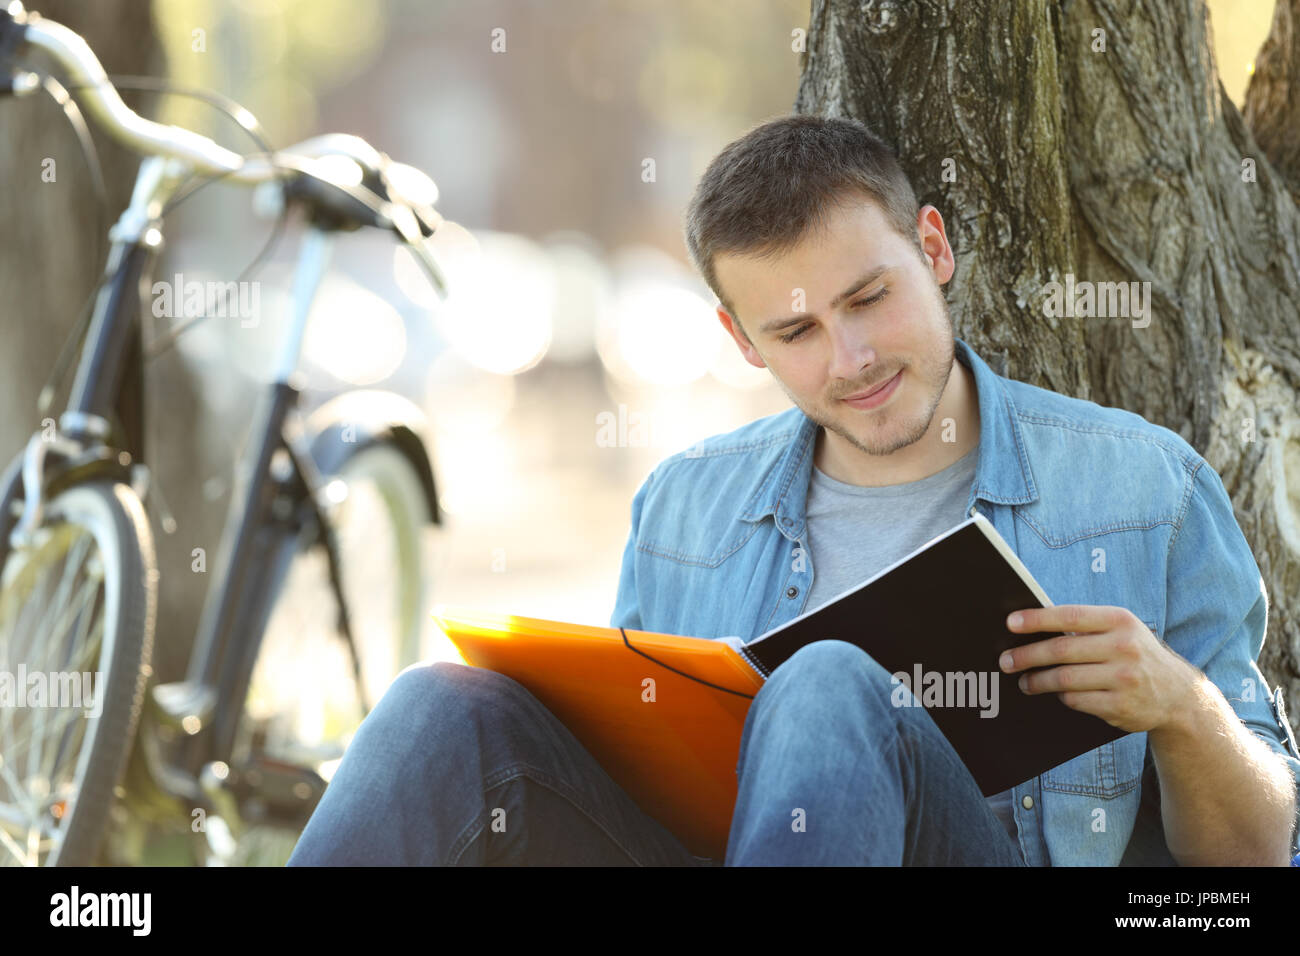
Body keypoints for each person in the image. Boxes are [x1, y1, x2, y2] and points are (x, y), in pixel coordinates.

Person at [286, 114, 1300, 866]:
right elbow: (630, 779)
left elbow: (1256, 858)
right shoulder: (685, 507)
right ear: (740, 340)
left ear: (933, 251)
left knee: (823, 680)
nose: (850, 357)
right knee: (438, 704)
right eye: (795, 331)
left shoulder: (1139, 484)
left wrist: (1180, 705)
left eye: (870, 298)